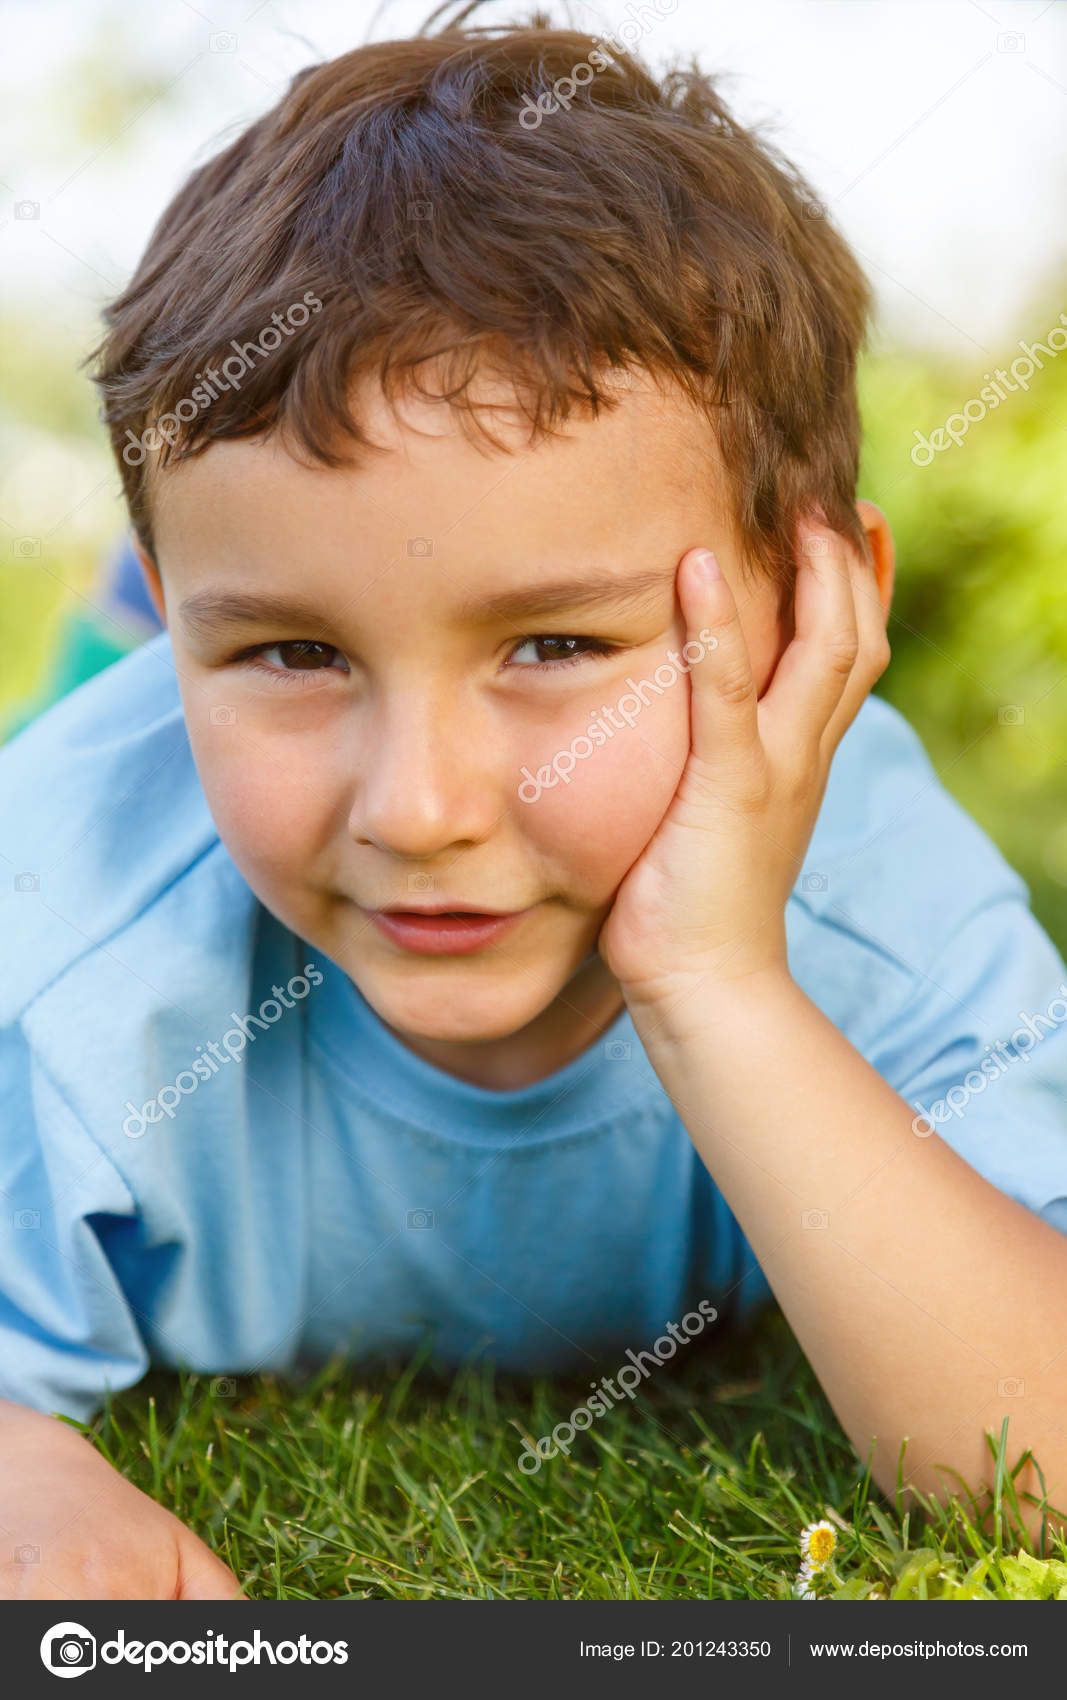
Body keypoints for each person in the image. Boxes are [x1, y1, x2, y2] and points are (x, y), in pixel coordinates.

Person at [3, 8, 1067, 1601]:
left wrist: (721, 987)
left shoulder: (879, 901)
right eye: (293, 647)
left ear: (813, 605)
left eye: (557, 642)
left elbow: (1040, 1465)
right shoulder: (70, 944)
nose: (420, 809)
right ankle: (124, 641)